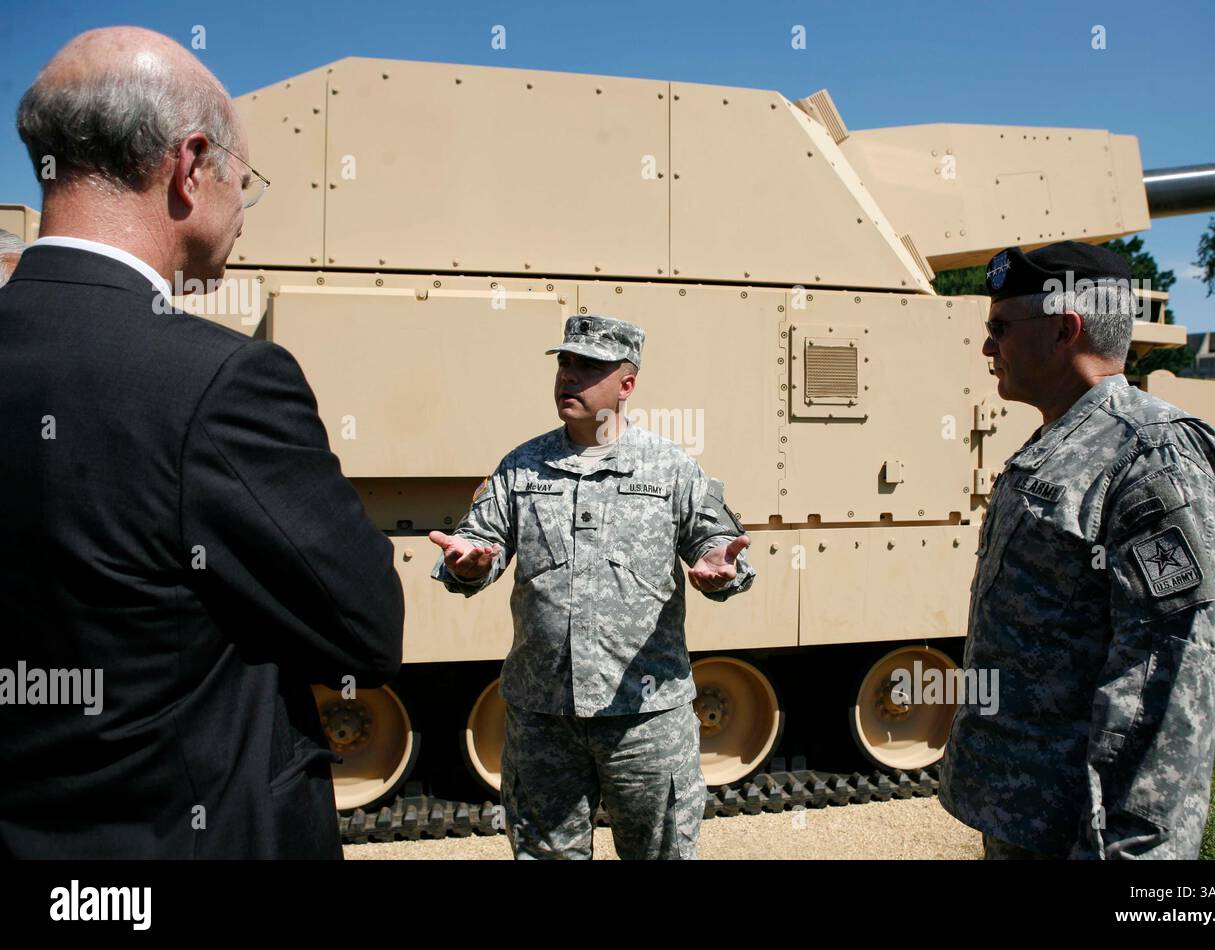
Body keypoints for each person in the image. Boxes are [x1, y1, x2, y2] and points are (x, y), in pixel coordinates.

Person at [0, 27, 404, 859]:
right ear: (188, 166)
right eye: (242, 182)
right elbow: (365, 630)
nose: (241, 214)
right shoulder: (219, 384)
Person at [939, 241, 1215, 859]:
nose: (987, 346)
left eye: (1000, 327)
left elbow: (1169, 679)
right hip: (1029, 817)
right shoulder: (1063, 440)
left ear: (1062, 331)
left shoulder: (1151, 457)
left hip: (1082, 833)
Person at [430, 315, 754, 859]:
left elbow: (719, 546)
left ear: (627, 384)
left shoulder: (671, 468)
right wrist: (468, 563)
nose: (569, 377)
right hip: (543, 719)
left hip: (645, 718)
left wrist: (720, 568)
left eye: (589, 367)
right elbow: (478, 543)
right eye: (565, 363)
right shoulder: (522, 466)